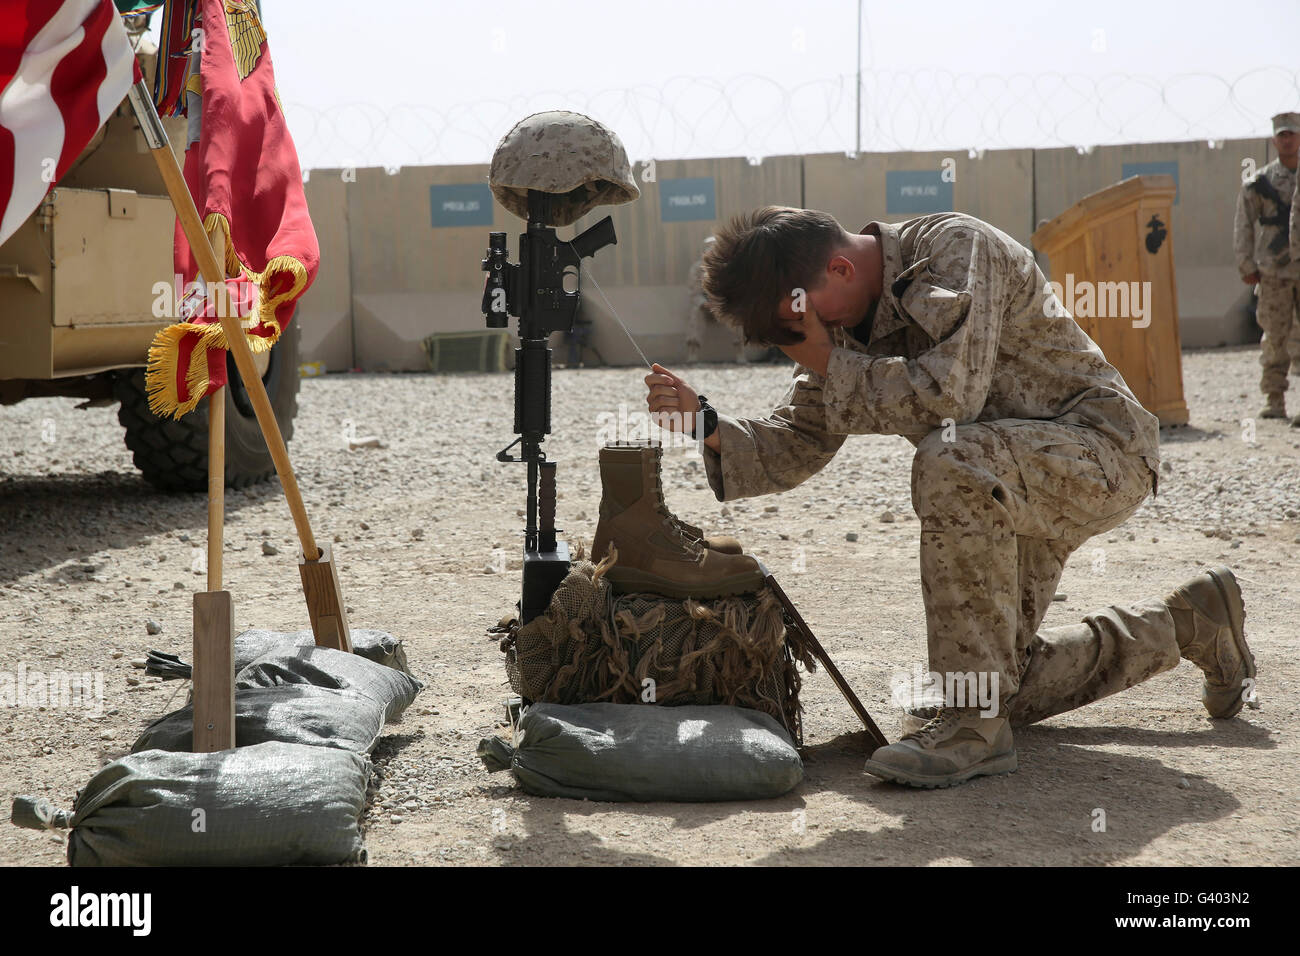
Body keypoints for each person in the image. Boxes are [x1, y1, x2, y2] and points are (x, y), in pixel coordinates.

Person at [644, 206, 1257, 789]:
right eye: (788, 336)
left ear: (839, 269)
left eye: (797, 325)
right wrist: (709, 423)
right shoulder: (838, 325)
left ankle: (971, 727)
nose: (805, 341)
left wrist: (830, 358)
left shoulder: (951, 251)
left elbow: (948, 399)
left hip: (1099, 452)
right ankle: (1191, 623)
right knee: (998, 683)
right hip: (1006, 485)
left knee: (948, 459)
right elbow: (801, 437)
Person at [1234, 111, 1300, 423]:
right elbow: (1244, 223)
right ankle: (1275, 400)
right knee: (1275, 336)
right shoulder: (1260, 183)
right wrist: (1245, 263)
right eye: (1282, 135)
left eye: (1292, 134)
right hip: (1274, 271)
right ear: (1274, 140)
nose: (1287, 140)